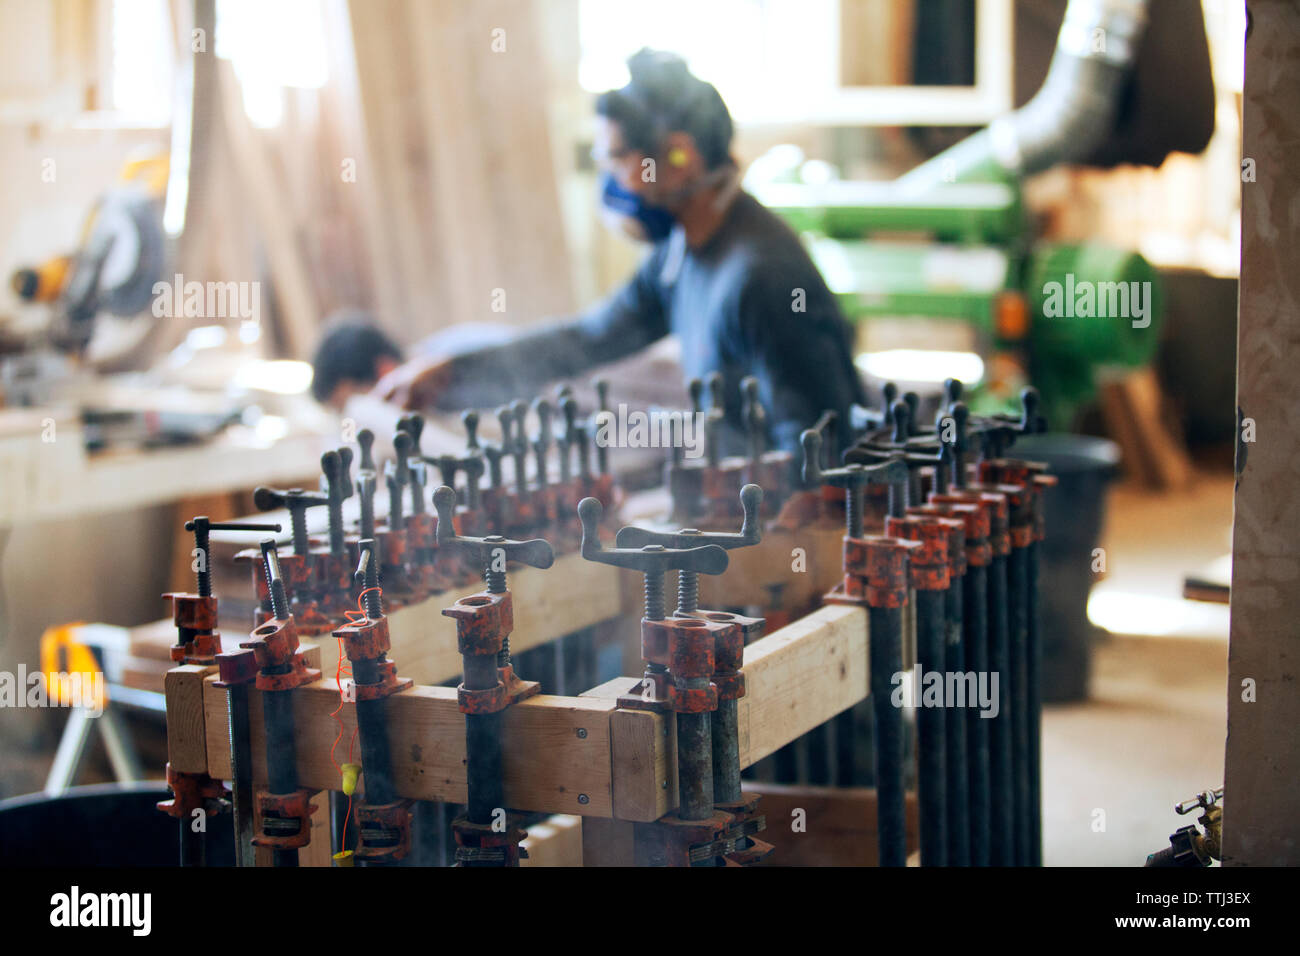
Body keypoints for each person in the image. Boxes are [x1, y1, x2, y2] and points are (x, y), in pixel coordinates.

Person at [313, 48, 865, 455]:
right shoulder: (681, 256)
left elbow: (821, 450)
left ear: (678, 157)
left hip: (777, 520)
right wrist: (453, 372)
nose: (612, 184)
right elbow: (588, 340)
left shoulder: (762, 277)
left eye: (617, 160)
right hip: (734, 488)